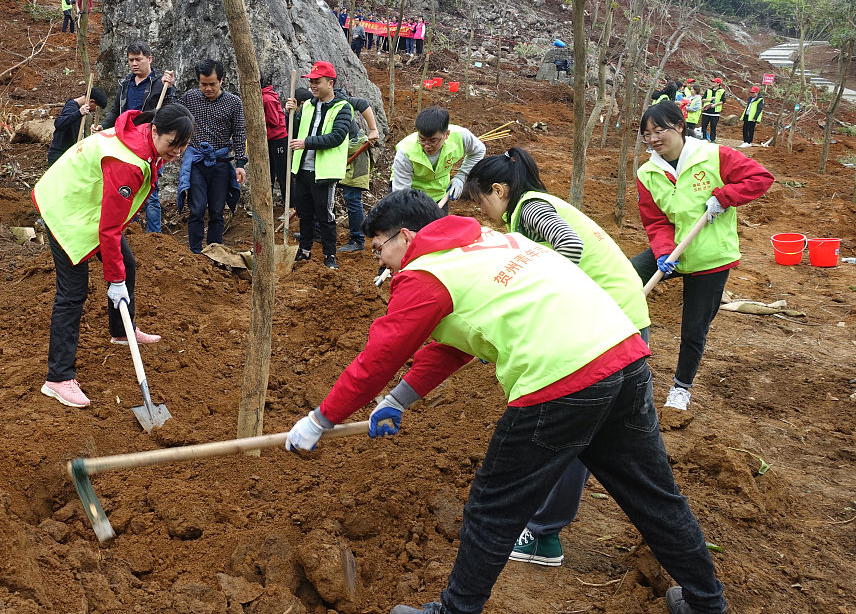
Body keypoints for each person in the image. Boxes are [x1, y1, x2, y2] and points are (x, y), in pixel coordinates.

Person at [285, 187, 729, 614]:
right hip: (623, 357)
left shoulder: (425, 275)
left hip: (561, 380)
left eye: (379, 248)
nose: (380, 261)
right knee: (654, 494)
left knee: (492, 507)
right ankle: (707, 601)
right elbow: (458, 342)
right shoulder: (488, 240)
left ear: (406, 237)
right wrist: (399, 401)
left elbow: (375, 361)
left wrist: (319, 420)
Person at [465, 148, 650, 568]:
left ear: (499, 189)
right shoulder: (535, 207)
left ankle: (544, 533)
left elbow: (567, 246)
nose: (483, 211)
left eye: (482, 201)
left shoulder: (530, 208)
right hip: (618, 318)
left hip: (608, 321)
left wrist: (544, 296)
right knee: (601, 436)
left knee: (572, 432)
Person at [32, 105, 193, 407]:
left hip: (83, 205)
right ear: (155, 131)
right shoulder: (127, 163)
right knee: (72, 293)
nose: (178, 152)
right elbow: (108, 230)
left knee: (127, 262)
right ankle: (58, 378)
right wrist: (113, 281)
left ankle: (121, 330)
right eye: (174, 144)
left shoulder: (141, 138)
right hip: (66, 212)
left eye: (183, 146)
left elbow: (111, 226)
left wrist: (119, 274)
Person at [634, 101, 772, 411]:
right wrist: (664, 251)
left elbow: (760, 177)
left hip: (710, 257)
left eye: (660, 131)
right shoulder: (648, 173)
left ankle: (681, 389)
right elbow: (656, 220)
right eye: (647, 134)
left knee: (694, 328)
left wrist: (724, 197)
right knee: (626, 278)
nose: (654, 139)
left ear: (679, 127)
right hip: (676, 252)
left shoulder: (713, 155)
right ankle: (630, 365)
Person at [98, 42, 178, 233]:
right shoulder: (125, 84)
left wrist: (171, 87)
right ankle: (129, 232)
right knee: (126, 190)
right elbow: (116, 111)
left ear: (149, 59)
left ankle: (154, 237)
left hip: (150, 143)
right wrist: (103, 126)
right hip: (126, 143)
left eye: (138, 59)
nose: (134, 64)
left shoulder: (161, 84)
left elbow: (171, 110)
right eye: (131, 60)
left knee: (150, 193)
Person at [285, 61, 352, 269]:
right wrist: (291, 113)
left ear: (330, 83)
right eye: (311, 81)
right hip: (302, 169)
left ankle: (329, 255)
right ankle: (304, 250)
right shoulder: (308, 106)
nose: (313, 86)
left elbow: (337, 137)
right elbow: (295, 132)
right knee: (304, 212)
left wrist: (307, 143)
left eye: (317, 81)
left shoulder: (343, 107)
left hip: (324, 172)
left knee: (325, 215)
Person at [176, 59, 247, 254]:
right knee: (197, 209)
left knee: (217, 211)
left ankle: (215, 251)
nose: (207, 88)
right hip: (197, 161)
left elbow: (240, 132)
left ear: (221, 81)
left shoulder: (233, 102)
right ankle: (195, 252)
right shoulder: (190, 98)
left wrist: (240, 162)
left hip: (221, 162)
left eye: (212, 84)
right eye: (203, 84)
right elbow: (173, 113)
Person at [391, 106, 485, 212]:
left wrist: (462, 176)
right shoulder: (406, 152)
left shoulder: (461, 137)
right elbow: (402, 195)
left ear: (447, 135)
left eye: (433, 141)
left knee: (438, 227)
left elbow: (478, 151)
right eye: (422, 139)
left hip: (438, 191)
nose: (427, 145)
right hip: (409, 192)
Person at [334, 87, 379, 252]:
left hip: (357, 153)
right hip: (342, 151)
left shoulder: (339, 101)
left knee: (352, 197)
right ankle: (318, 231)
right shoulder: (316, 105)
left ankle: (358, 240)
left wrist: (373, 129)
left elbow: (362, 103)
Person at [46, 86, 108, 167]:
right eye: (95, 108)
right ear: (91, 101)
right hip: (59, 156)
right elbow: (59, 123)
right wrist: (78, 113)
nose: (93, 111)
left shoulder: (79, 109)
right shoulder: (71, 107)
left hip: (68, 155)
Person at [262, 74, 289, 205]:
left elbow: (274, 120)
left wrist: (259, 120)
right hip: (270, 139)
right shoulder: (264, 97)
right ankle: (267, 204)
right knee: (269, 172)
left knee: (282, 172)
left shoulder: (267, 99)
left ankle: (290, 205)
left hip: (278, 139)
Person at [701, 78, 726, 142]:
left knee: (713, 126)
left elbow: (723, 101)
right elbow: (703, 99)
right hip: (706, 111)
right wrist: (709, 100)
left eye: (714, 82)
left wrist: (715, 105)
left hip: (715, 112)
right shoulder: (708, 90)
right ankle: (704, 138)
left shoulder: (722, 91)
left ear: (718, 83)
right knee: (704, 126)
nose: (713, 83)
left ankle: (712, 139)